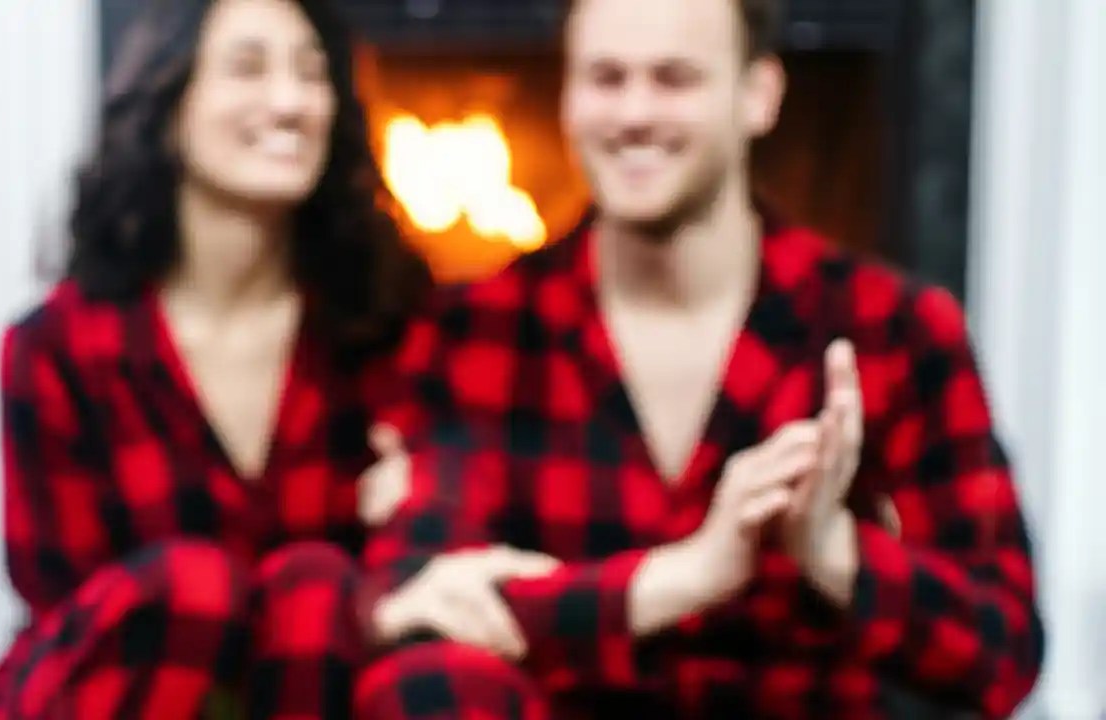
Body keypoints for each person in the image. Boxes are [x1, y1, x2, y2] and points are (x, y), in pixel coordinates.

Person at [354, 0, 1043, 717]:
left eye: (675, 79)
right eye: (605, 78)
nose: (635, 113)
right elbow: (414, 599)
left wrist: (832, 549)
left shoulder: (895, 328)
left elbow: (1004, 650)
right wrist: (688, 575)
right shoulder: (475, 330)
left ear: (759, 95)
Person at [0, 0, 430, 717]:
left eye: (313, 75)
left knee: (316, 588)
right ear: (170, 104)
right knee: (192, 584)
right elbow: (62, 615)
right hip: (119, 693)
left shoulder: (380, 326)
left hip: (321, 688)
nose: (290, 103)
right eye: (248, 68)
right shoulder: (57, 350)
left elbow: (426, 564)